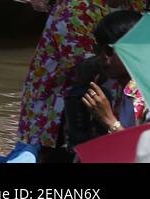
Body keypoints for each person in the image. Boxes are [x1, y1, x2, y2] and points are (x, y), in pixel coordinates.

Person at [0, 0, 148, 162]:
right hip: (63, 95)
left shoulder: (134, 1)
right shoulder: (79, 6)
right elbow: (80, 70)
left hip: (119, 90)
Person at [60, 10, 146, 159]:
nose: (103, 57)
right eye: (99, 50)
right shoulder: (122, 85)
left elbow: (143, 155)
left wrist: (109, 120)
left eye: (110, 50)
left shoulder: (145, 93)